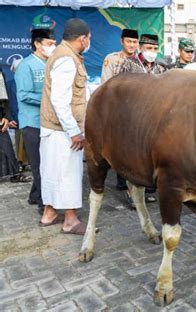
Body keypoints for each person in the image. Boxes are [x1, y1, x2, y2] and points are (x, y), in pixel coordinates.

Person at [39, 18, 92, 235]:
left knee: (52, 171)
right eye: (88, 38)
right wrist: (74, 132)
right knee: (69, 173)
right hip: (62, 130)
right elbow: (60, 101)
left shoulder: (61, 54)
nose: (89, 42)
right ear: (82, 39)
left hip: (54, 128)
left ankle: (49, 213)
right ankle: (70, 220)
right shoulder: (66, 60)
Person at [120, 33, 165, 204]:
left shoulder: (161, 68)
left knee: (148, 158)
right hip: (133, 119)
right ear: (141, 48)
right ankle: (132, 194)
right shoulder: (129, 65)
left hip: (154, 121)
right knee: (133, 158)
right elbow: (122, 92)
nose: (152, 52)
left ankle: (145, 191)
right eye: (148, 48)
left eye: (155, 49)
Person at [15, 28, 56, 214]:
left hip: (47, 122)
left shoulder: (51, 64)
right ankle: (43, 204)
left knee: (45, 163)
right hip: (32, 123)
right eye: (49, 44)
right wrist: (50, 97)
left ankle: (34, 195)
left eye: (54, 44)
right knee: (40, 165)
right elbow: (23, 95)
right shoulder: (26, 65)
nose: (52, 47)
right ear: (37, 44)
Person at [100, 28, 139, 191]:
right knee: (119, 147)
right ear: (122, 41)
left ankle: (134, 179)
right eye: (129, 41)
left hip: (137, 112)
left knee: (134, 147)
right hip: (117, 110)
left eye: (135, 42)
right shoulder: (112, 59)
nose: (132, 45)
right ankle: (121, 180)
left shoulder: (141, 61)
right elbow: (105, 85)